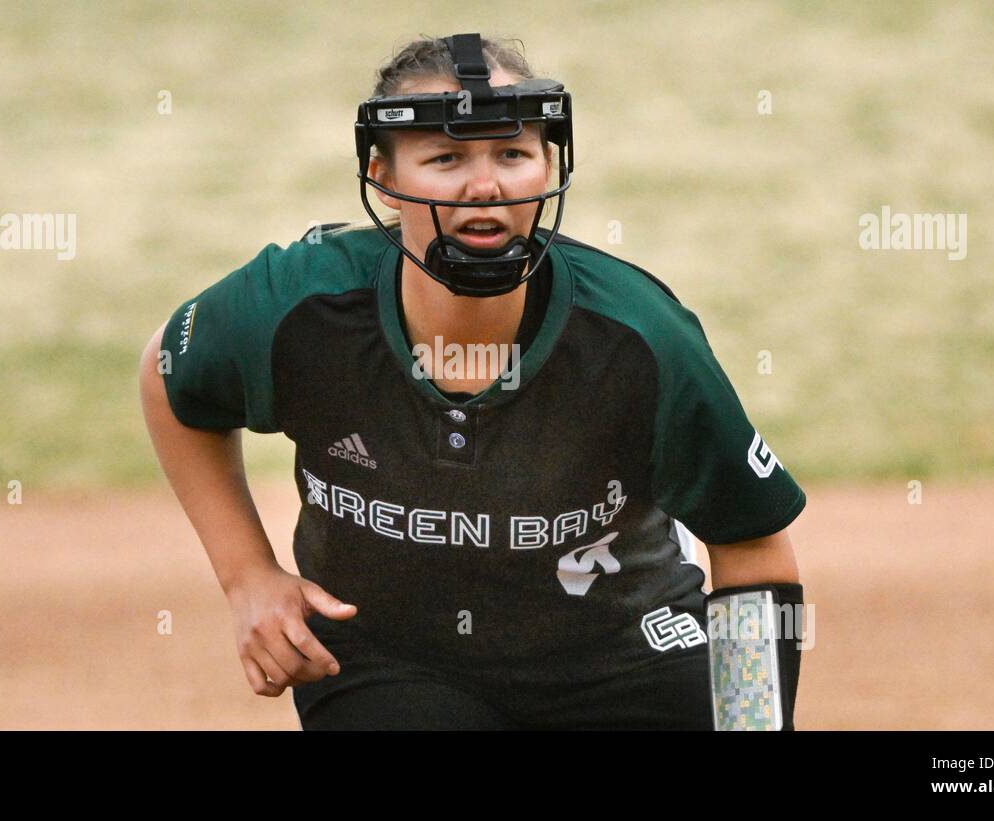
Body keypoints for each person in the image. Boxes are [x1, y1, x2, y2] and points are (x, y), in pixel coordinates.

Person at [140, 33, 807, 730]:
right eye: (447, 157)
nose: (484, 185)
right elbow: (168, 376)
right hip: (392, 662)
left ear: (549, 164)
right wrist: (247, 575)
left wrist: (750, 725)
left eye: (512, 153)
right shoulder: (296, 304)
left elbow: (752, 550)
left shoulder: (640, 337)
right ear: (381, 178)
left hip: (625, 652)